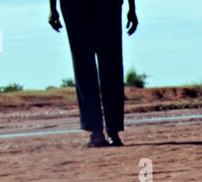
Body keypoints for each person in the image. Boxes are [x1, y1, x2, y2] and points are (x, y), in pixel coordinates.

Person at [49, 0, 138, 147]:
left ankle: (104, 133)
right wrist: (132, 8)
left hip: (95, 6)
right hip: (88, 7)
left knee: (95, 66)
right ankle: (106, 133)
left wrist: (52, 9)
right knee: (98, 66)